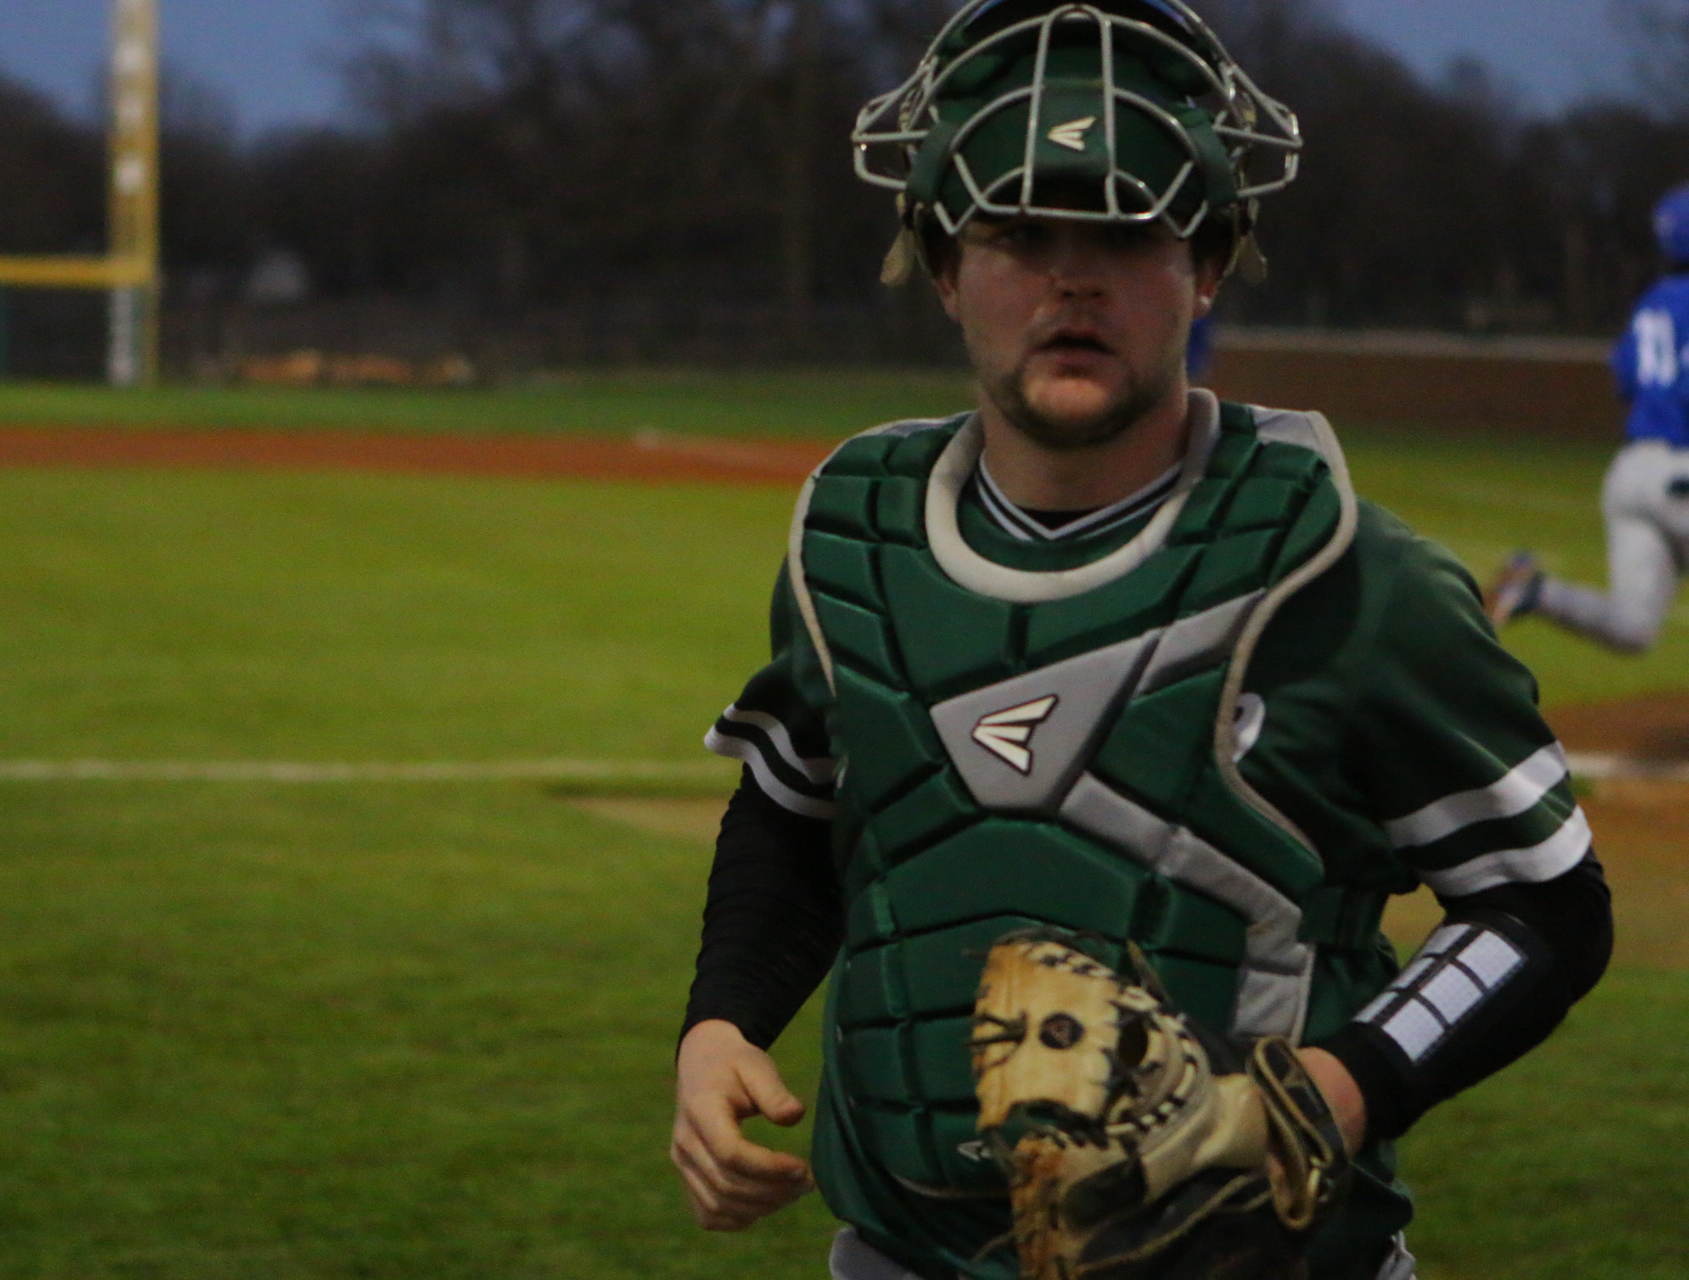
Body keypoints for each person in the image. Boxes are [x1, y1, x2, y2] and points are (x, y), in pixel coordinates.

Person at [670, 4, 1612, 1279]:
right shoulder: (855, 546)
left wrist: (1342, 1086)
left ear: (1208, 264)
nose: (1074, 279)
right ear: (942, 265)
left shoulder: (1349, 574)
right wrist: (721, 1020)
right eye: (1018, 231)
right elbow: (798, 811)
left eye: (1127, 230)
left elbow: (1544, 904)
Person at [1487, 183, 1689, 650]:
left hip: (1632, 472)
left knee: (1633, 629)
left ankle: (1536, 592)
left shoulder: (1653, 302)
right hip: (1680, 473)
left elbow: (1625, 382)